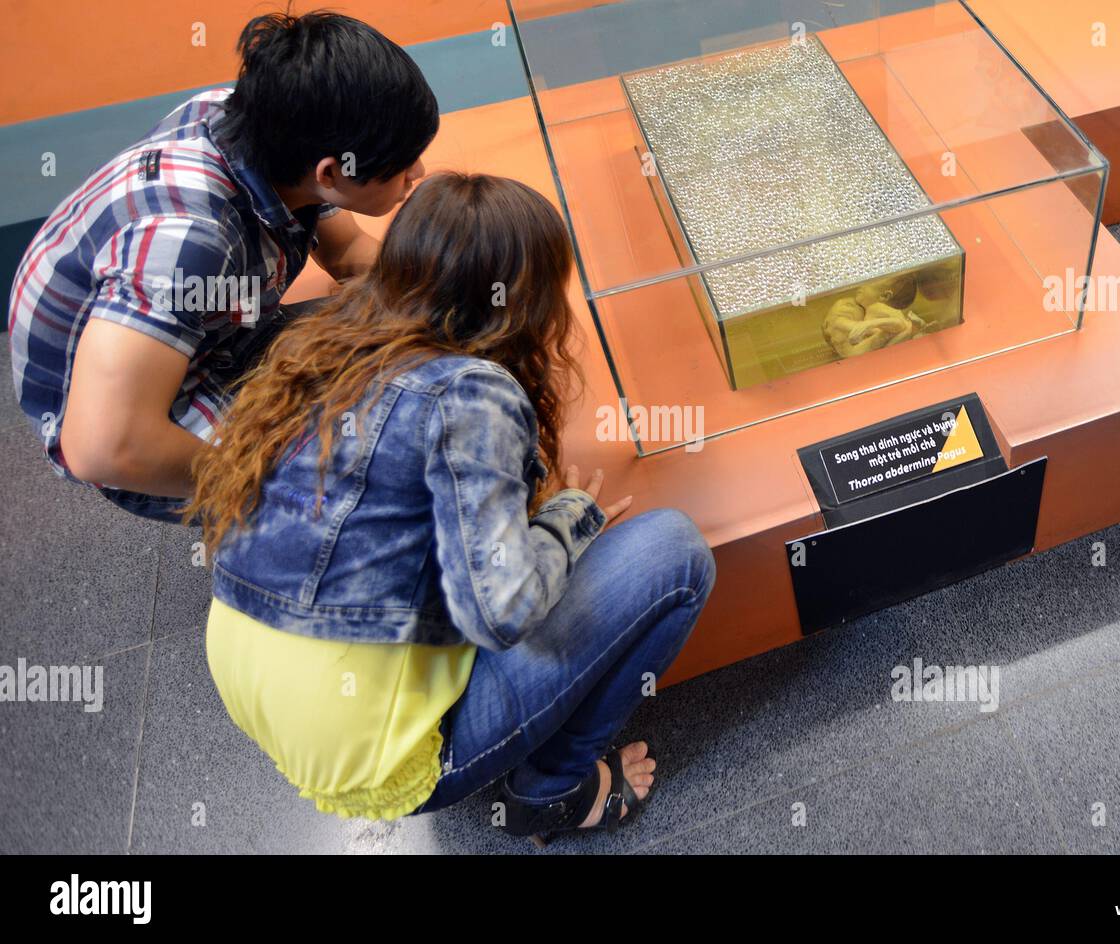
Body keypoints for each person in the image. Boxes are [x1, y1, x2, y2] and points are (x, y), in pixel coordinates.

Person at [184, 171, 717, 842]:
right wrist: (567, 520)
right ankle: (555, 791)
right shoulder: (471, 393)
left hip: (257, 686)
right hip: (370, 754)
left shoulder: (329, 344)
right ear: (521, 303)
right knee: (675, 553)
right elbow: (503, 612)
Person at [7, 12, 438, 522]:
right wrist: (275, 488)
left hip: (191, 335)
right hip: (121, 417)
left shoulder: (260, 122)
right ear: (332, 172)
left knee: (399, 355)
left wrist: (434, 302)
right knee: (366, 496)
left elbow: (346, 255)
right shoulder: (190, 239)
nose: (419, 173)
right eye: (404, 163)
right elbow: (104, 448)